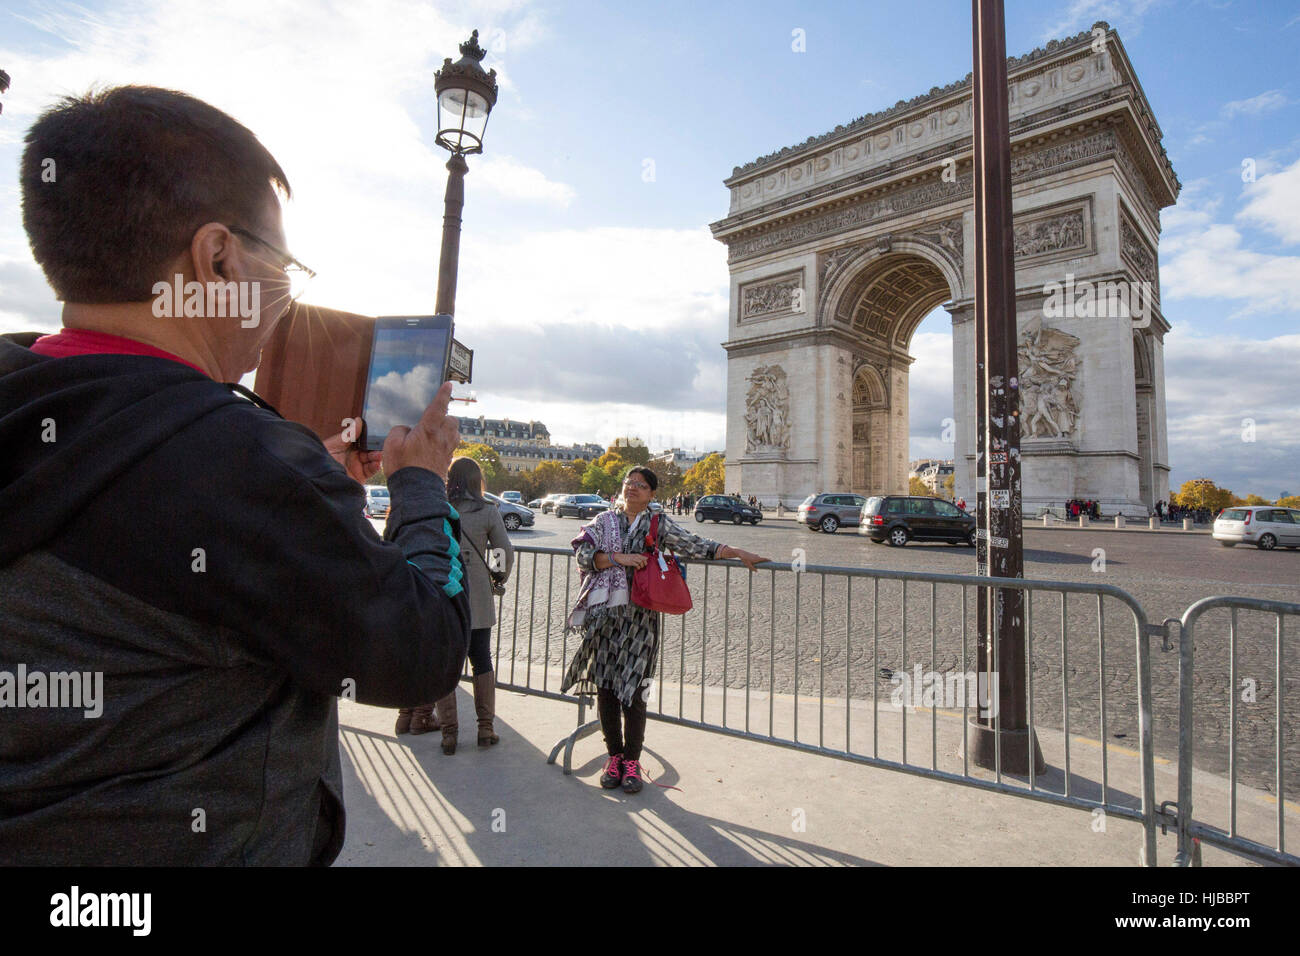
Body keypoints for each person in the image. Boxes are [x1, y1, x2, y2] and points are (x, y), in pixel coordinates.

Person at [0, 86, 469, 864]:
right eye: (283, 264)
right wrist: (418, 481)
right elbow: (422, 653)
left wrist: (302, 489)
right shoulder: (244, 470)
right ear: (218, 258)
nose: (287, 296)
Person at [561, 467, 767, 794]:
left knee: (636, 691)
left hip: (641, 621)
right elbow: (584, 555)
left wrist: (736, 552)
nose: (633, 489)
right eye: (629, 484)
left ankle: (631, 761)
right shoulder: (603, 521)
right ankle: (613, 757)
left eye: (641, 486)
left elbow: (694, 544)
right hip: (604, 620)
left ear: (652, 494)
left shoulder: (658, 524)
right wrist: (620, 558)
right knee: (607, 689)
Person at [418, 456, 514, 753]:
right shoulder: (487, 511)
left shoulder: (436, 510)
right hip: (477, 594)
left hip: (443, 590)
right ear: (477, 481)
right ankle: (485, 728)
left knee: (447, 663)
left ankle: (449, 733)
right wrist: (497, 577)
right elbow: (501, 551)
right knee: (481, 659)